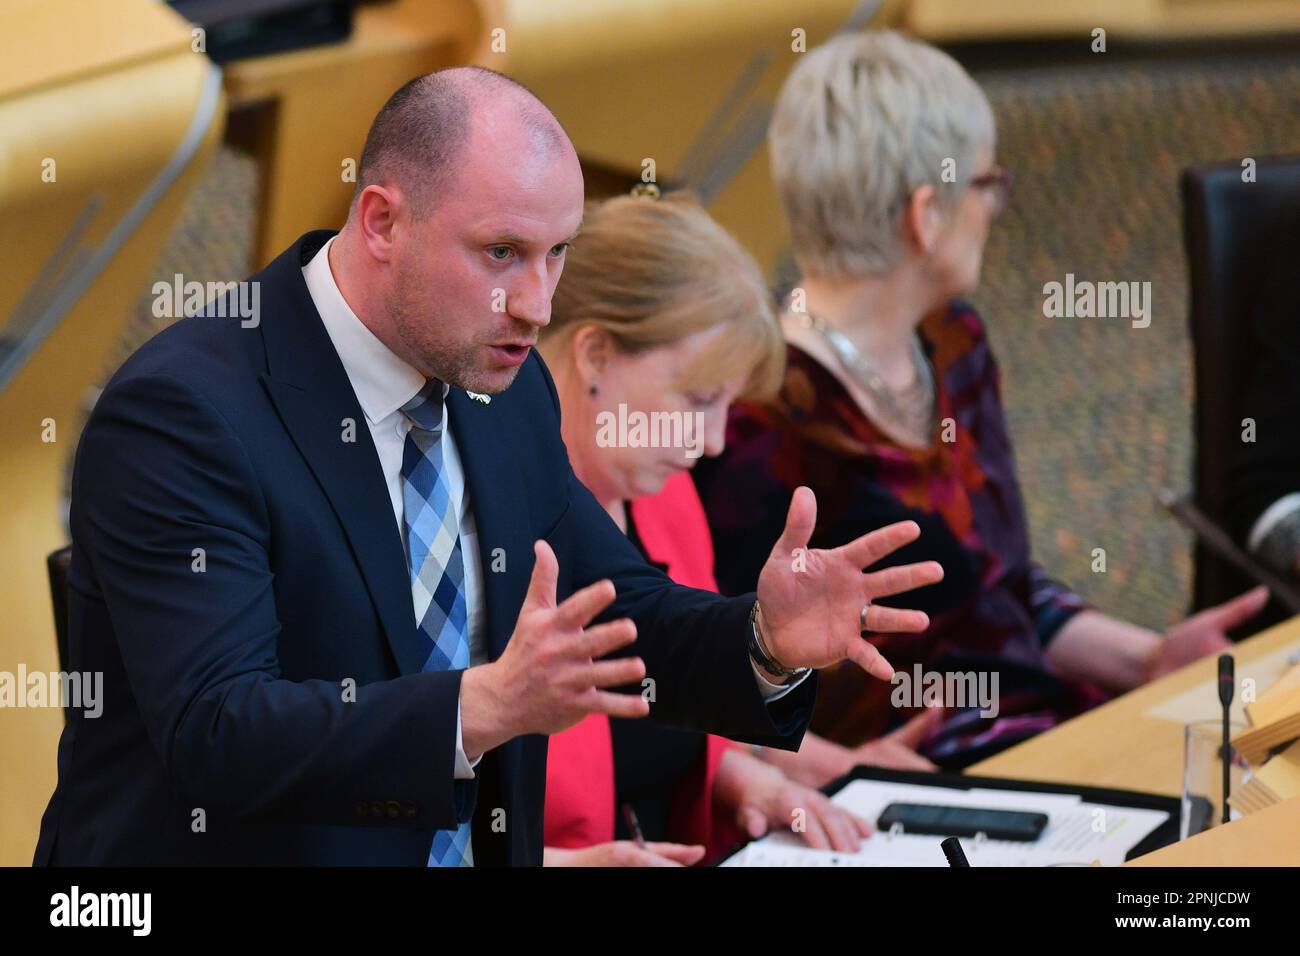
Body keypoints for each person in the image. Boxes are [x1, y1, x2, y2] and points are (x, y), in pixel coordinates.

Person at [34, 65, 942, 865]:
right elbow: (218, 733)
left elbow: (617, 610)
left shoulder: (502, 388)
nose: (538, 305)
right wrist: (483, 706)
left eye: (558, 256)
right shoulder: (186, 414)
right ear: (381, 220)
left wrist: (762, 639)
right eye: (502, 253)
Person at [695, 32, 1266, 769]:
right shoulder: (755, 415)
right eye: (988, 183)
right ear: (927, 214)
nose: (995, 206)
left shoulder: (953, 342)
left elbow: (999, 586)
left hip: (1037, 729)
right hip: (909, 788)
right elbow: (706, 683)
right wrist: (831, 771)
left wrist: (1148, 656)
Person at [537, 191, 875, 866]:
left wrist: (741, 775)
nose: (715, 440)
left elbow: (658, 709)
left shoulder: (666, 498)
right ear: (595, 355)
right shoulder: (474, 517)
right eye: (698, 400)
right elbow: (404, 808)